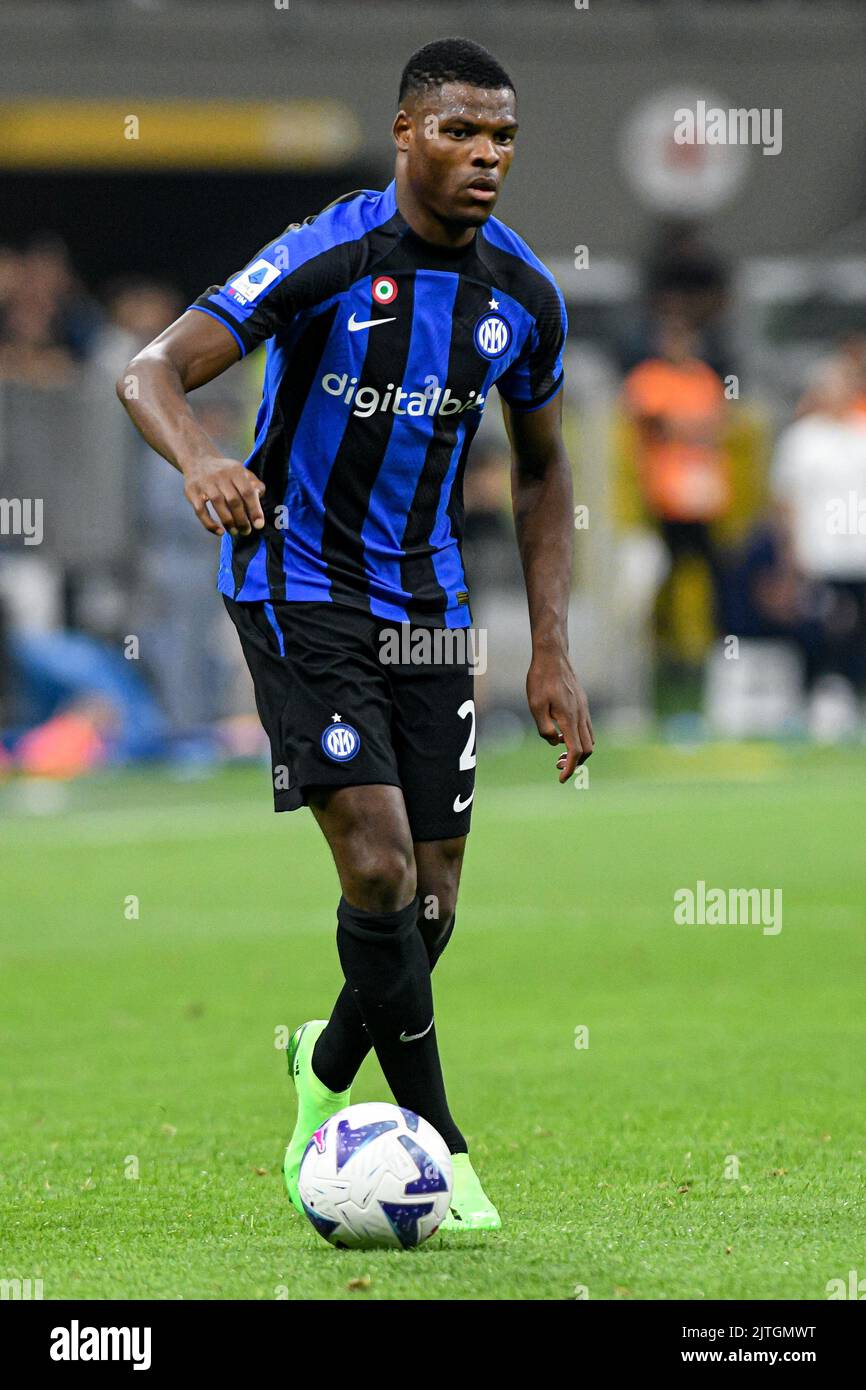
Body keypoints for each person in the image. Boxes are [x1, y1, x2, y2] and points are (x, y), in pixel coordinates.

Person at [117, 36, 594, 1235]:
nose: (484, 157)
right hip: (298, 583)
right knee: (375, 862)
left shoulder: (523, 299)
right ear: (403, 133)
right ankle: (443, 1144)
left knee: (428, 907)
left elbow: (543, 477)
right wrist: (205, 457)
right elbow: (149, 371)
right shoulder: (329, 257)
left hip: (428, 606)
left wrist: (549, 648)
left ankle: (321, 1070)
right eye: (458, 133)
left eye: (501, 139)